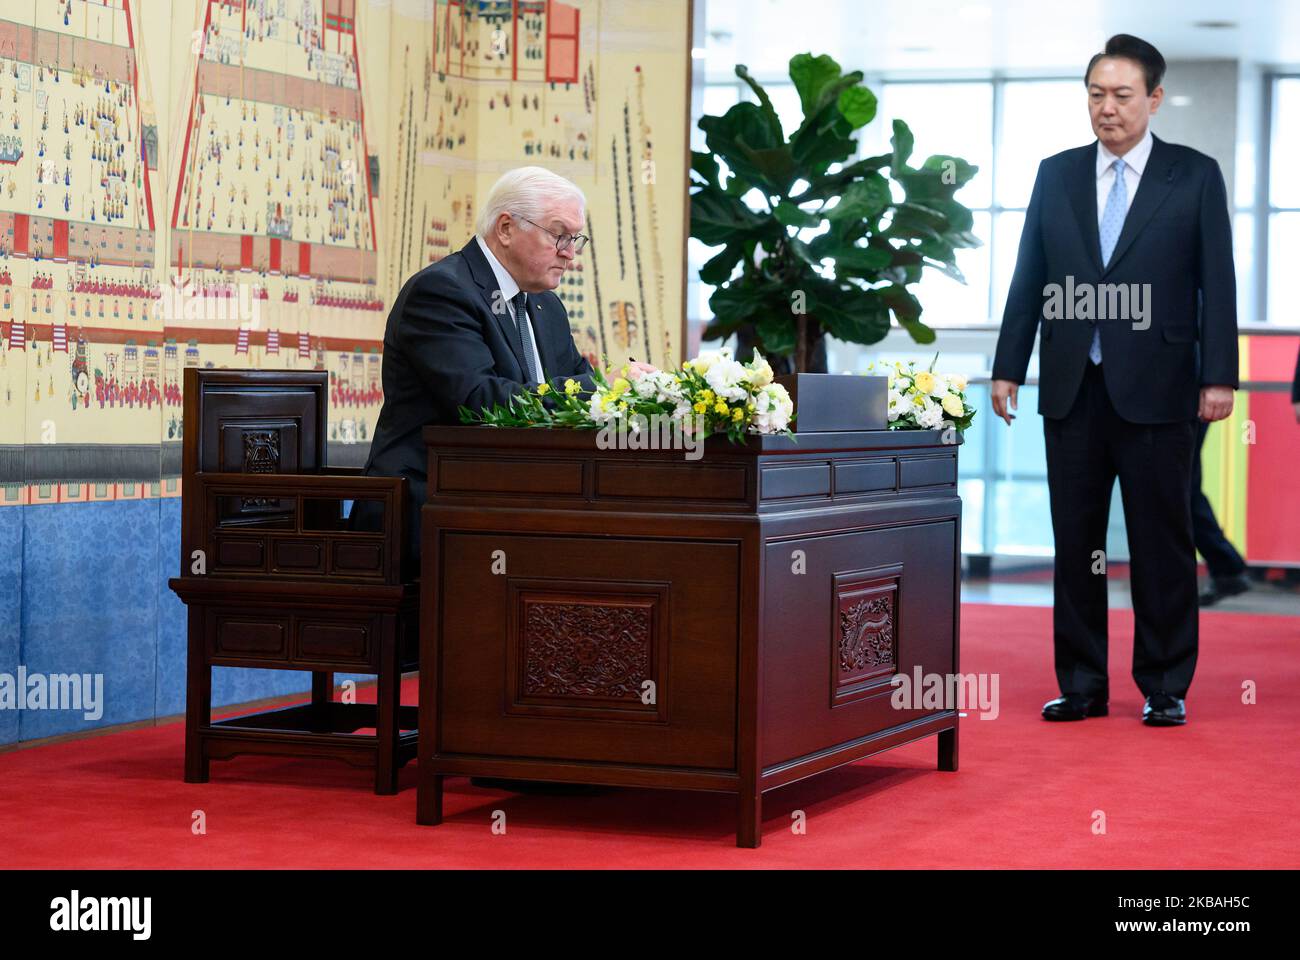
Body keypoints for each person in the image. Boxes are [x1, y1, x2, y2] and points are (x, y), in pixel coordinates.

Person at [990, 34, 1239, 727]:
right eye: (1096, 94)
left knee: (1161, 541)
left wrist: (1219, 375)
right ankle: (1082, 683)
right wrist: (1010, 365)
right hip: (1073, 386)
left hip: (1162, 388)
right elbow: (1029, 278)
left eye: (1122, 95)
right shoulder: (1057, 174)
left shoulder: (1193, 176)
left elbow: (1217, 281)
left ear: (1154, 99)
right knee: (1078, 543)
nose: (1107, 108)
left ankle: (1164, 684)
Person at [360, 166, 652, 569]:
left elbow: (576, 386)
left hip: (511, 507)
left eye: (575, 239)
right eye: (558, 235)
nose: (570, 252)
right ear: (506, 228)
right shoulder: (443, 292)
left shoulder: (544, 306)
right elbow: (482, 403)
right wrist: (604, 388)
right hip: (428, 513)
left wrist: (634, 392)